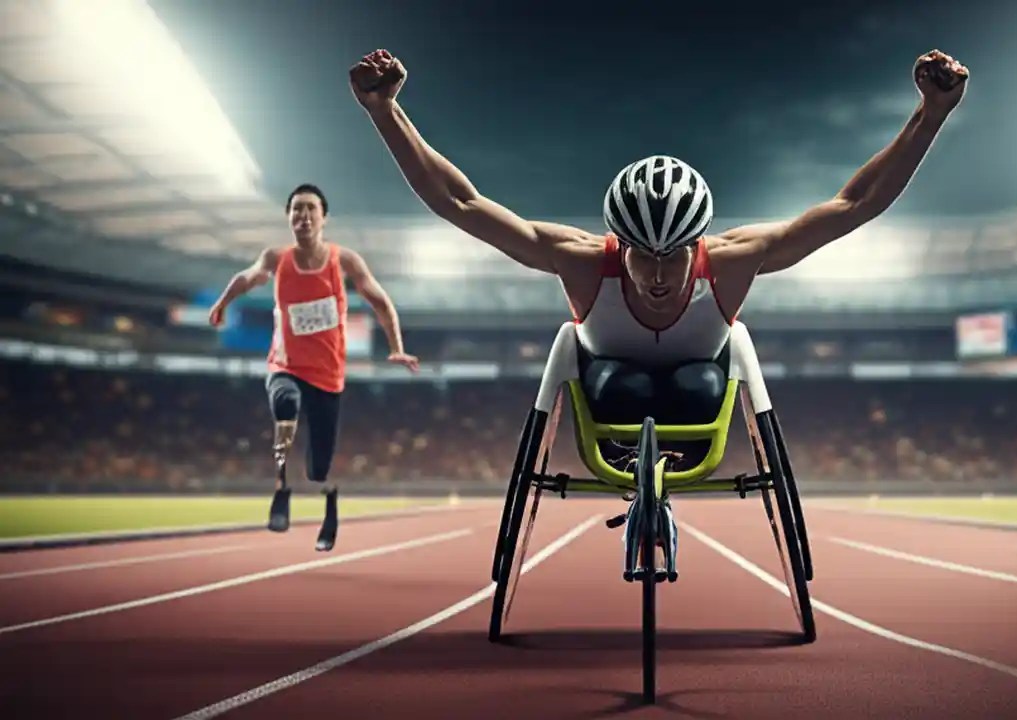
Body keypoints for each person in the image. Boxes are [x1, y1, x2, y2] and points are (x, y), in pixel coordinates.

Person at [347, 47, 965, 458]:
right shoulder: (584, 259)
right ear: (620, 244)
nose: (660, 273)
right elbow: (462, 204)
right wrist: (384, 111)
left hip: (699, 405)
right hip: (609, 400)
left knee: (701, 384)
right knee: (624, 385)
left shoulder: (733, 259)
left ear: (699, 245)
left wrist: (929, 116)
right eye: (644, 255)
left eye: (675, 255)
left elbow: (853, 206)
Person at [208, 183, 419, 551]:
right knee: (285, 401)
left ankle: (331, 506)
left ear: (324, 218)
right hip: (284, 365)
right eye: (296, 209)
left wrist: (397, 348)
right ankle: (281, 489)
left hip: (327, 376)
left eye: (310, 208)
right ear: (288, 217)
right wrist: (223, 303)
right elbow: (248, 276)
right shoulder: (276, 258)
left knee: (319, 468)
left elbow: (381, 303)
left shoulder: (345, 261)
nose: (303, 215)